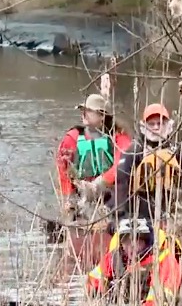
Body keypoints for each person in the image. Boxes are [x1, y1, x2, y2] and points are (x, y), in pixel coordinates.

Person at [79, 102, 182, 224]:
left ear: (169, 125)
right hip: (138, 211)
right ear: (144, 126)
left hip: (170, 210)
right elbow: (121, 184)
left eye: (160, 123)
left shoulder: (179, 153)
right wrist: (120, 215)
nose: (156, 127)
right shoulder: (134, 152)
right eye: (151, 124)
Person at [85, 216, 182, 306]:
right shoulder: (114, 258)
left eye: (136, 241)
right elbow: (92, 281)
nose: (131, 246)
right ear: (121, 244)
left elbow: (162, 296)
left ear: (145, 241)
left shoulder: (163, 259)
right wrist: (100, 301)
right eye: (126, 242)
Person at [55, 94, 131, 222]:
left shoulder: (118, 136)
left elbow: (123, 162)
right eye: (82, 110)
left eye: (89, 111)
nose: (83, 114)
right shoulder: (72, 137)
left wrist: (101, 183)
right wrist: (69, 197)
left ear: (102, 115)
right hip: (82, 194)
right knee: (75, 217)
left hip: (112, 193)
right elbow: (63, 168)